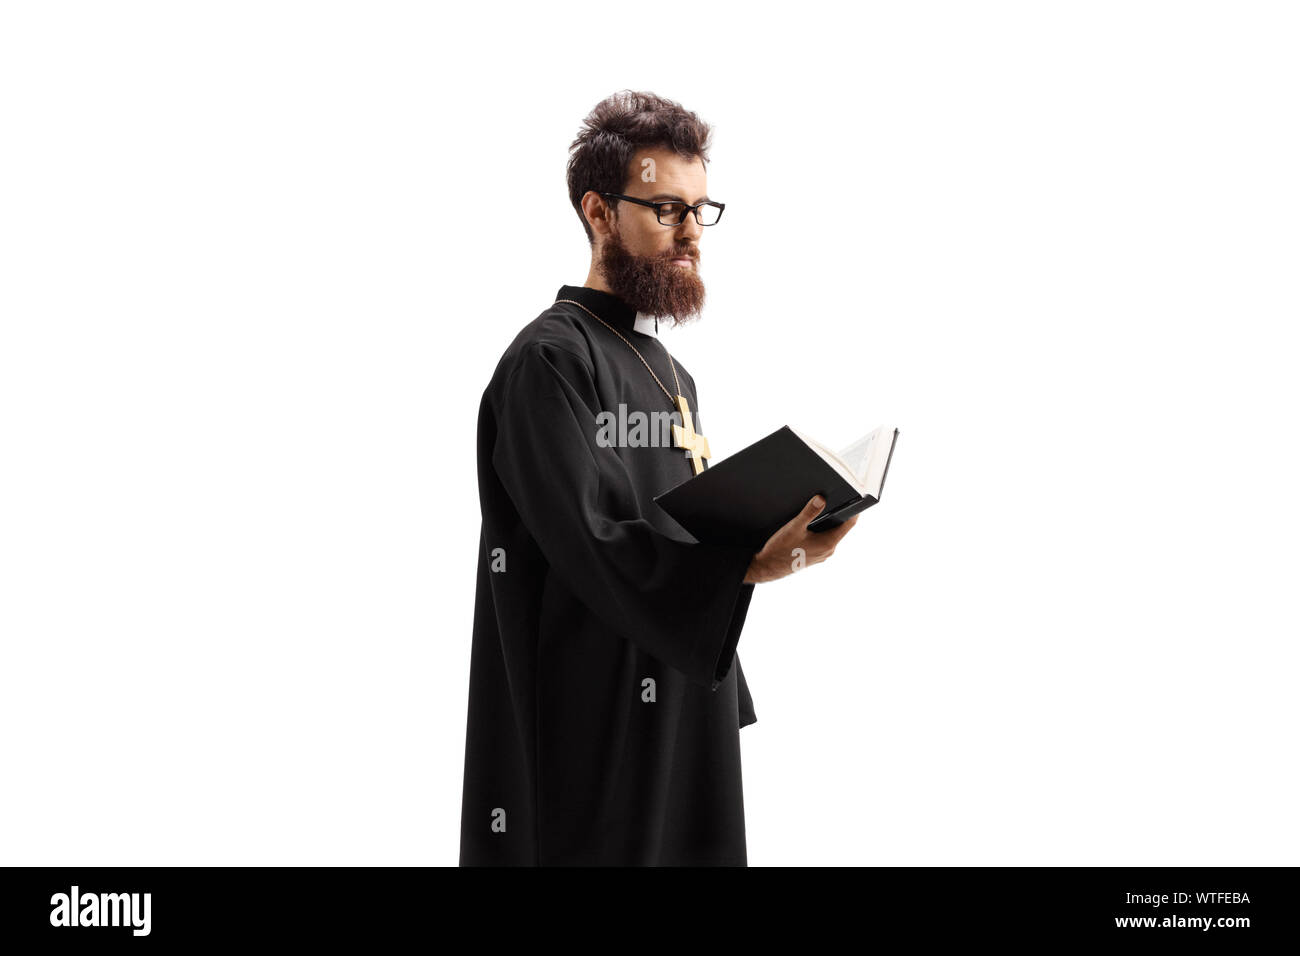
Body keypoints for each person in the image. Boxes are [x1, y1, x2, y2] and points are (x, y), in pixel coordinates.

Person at [459, 90, 860, 866]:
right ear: (600, 213)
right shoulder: (548, 360)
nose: (690, 236)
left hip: (682, 700)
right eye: (666, 210)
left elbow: (682, 522)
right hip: (595, 719)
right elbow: (590, 539)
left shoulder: (673, 374)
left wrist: (770, 532)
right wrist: (741, 565)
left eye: (700, 212)